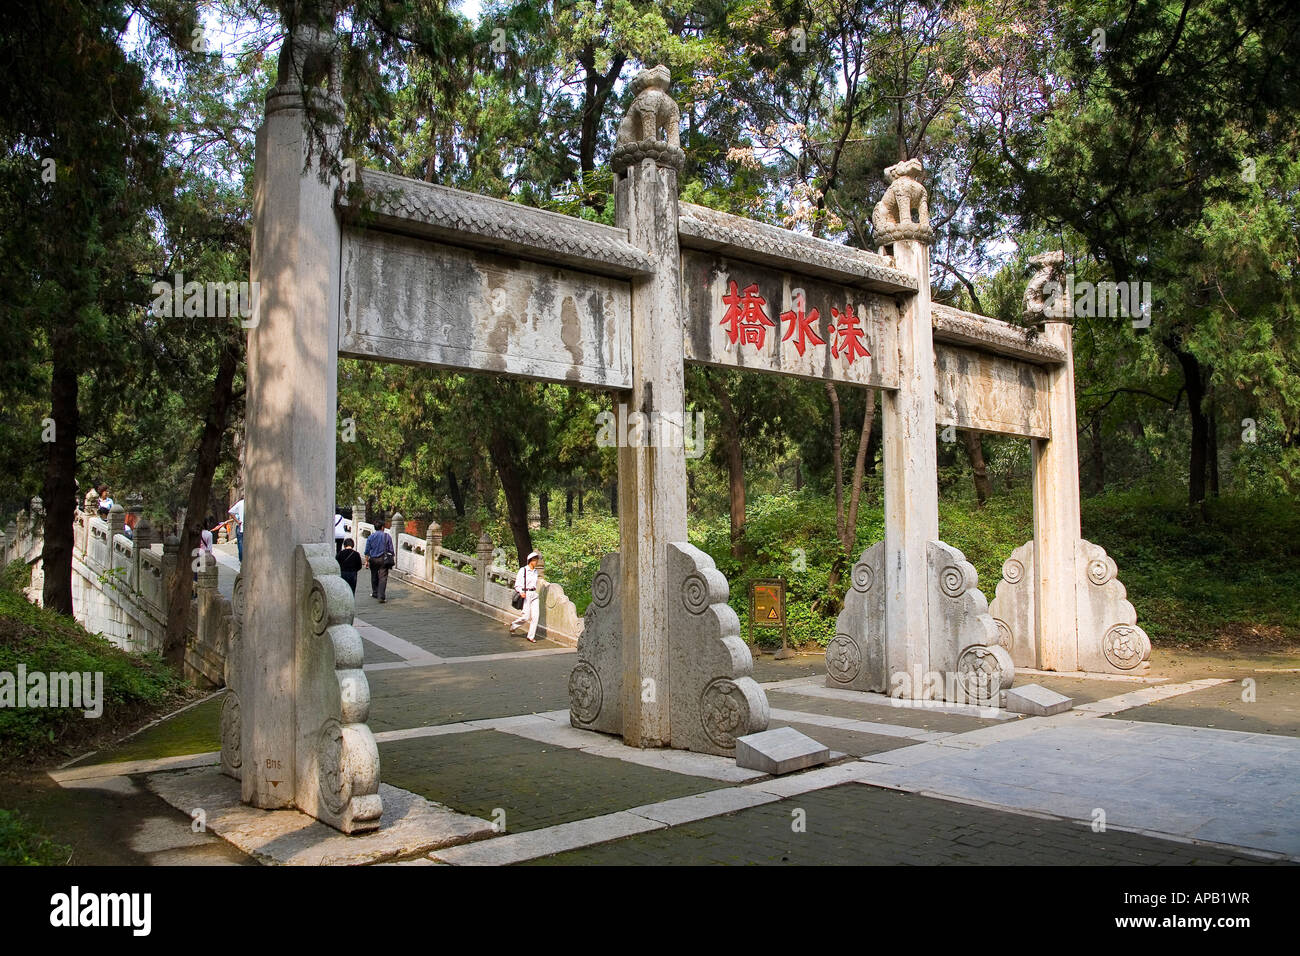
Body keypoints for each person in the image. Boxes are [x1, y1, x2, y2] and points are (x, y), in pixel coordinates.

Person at [510, 551, 543, 643]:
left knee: (535, 616)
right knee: (526, 617)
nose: (536, 562)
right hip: (526, 594)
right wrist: (521, 592)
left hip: (534, 594)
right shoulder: (523, 570)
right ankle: (514, 625)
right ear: (530, 560)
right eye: (535, 560)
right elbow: (517, 584)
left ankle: (531, 636)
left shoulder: (535, 572)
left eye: (537, 560)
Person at [363, 517, 393, 603]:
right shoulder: (387, 536)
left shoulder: (370, 537)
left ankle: (375, 592)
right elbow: (391, 550)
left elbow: (367, 551)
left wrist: (366, 561)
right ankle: (381, 597)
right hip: (383, 559)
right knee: (383, 578)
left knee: (374, 575)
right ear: (382, 527)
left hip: (373, 559)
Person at [228, 497, 245, 562]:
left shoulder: (240, 503)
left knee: (240, 543)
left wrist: (238, 521)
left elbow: (230, 512)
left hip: (241, 526)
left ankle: (241, 560)